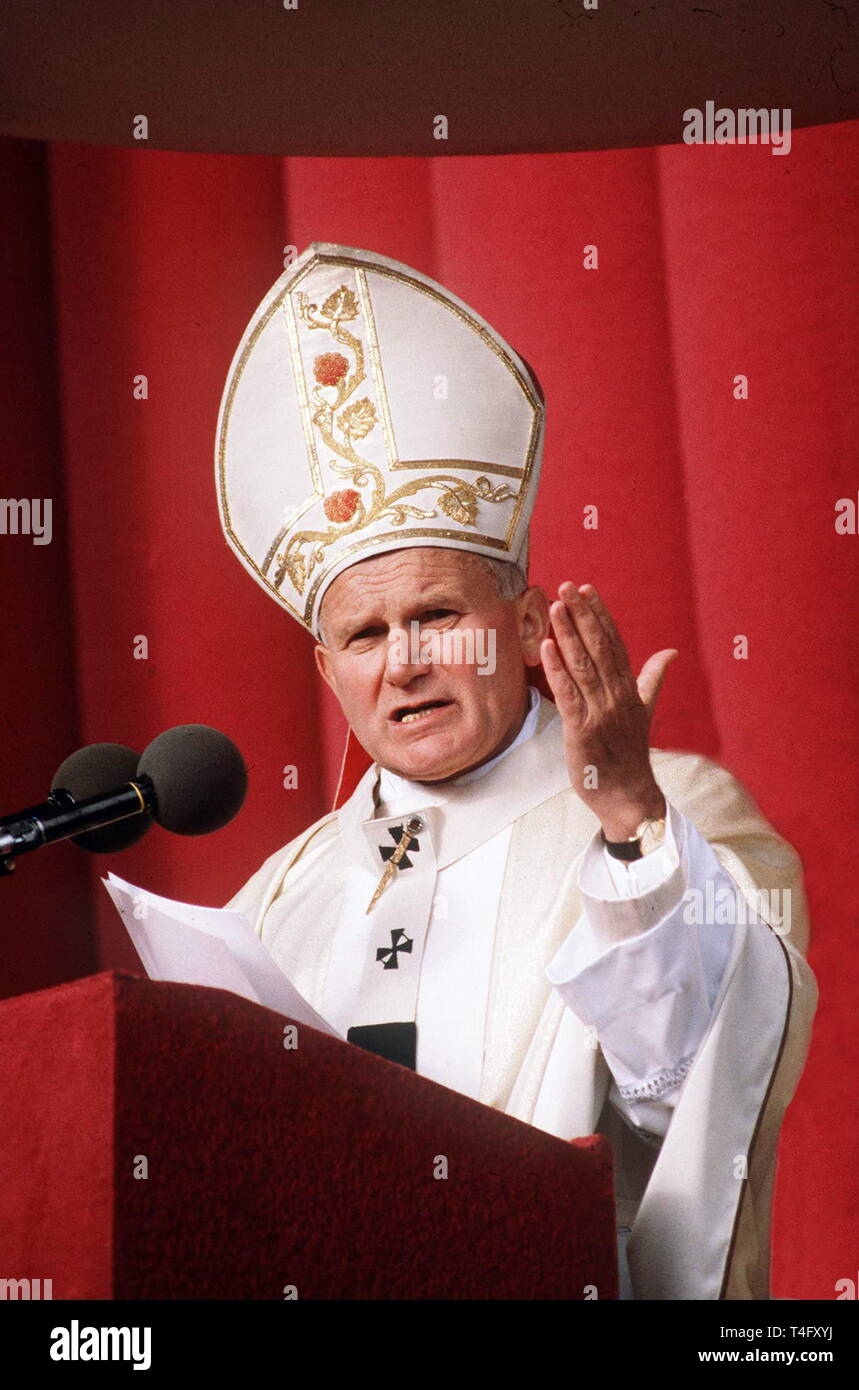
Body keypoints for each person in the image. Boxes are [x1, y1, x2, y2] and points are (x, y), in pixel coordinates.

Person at [215, 242, 817, 1299]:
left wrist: (630, 821)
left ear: (528, 622)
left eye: (437, 613)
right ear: (327, 668)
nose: (402, 662)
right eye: (364, 635)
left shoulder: (673, 812)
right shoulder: (275, 898)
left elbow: (695, 1106)